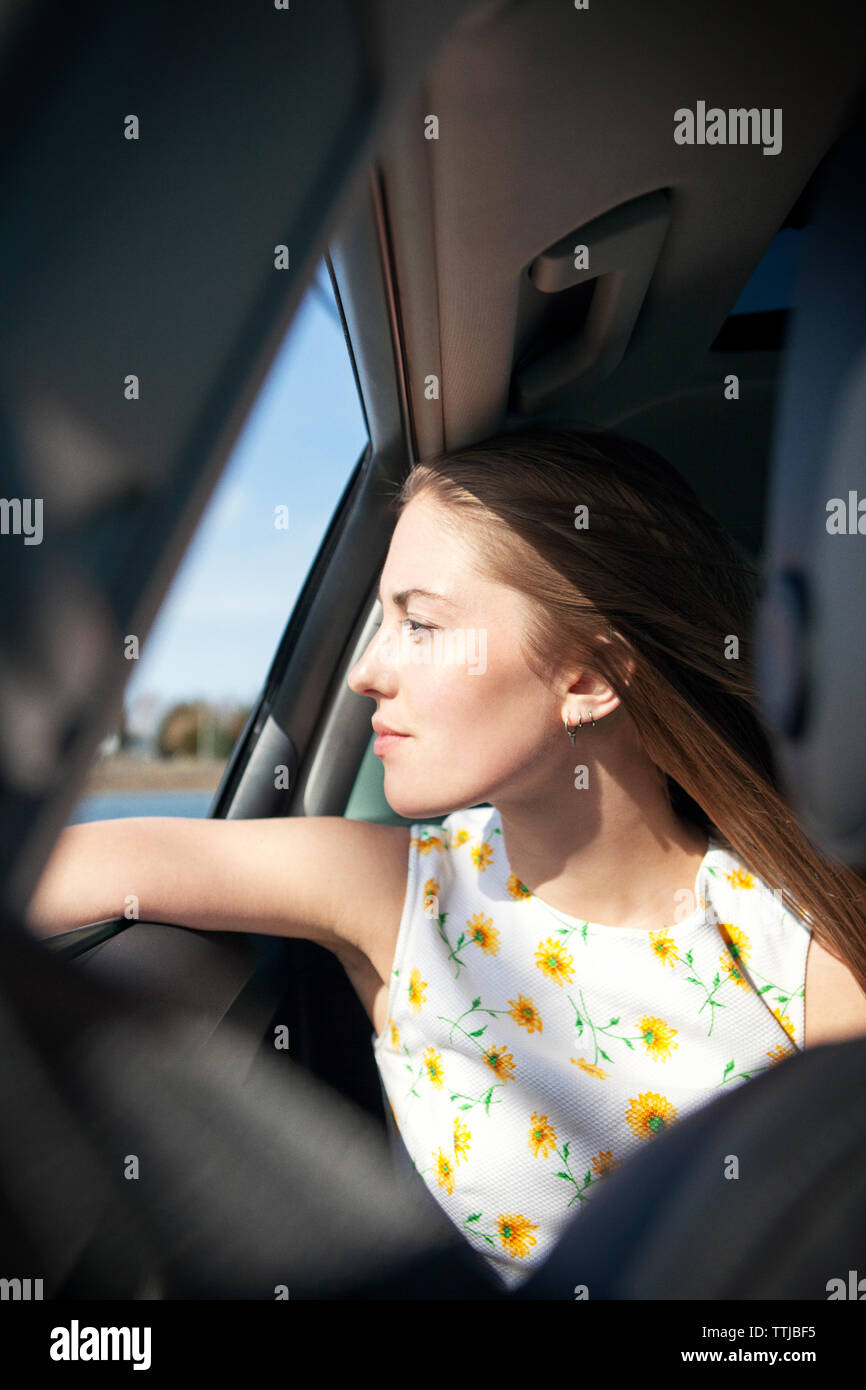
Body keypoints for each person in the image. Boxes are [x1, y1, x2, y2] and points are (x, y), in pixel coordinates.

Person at [26, 426, 866, 1292]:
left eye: (420, 624)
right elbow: (70, 865)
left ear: (588, 680)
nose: (366, 672)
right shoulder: (395, 891)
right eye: (383, 620)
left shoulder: (799, 935)